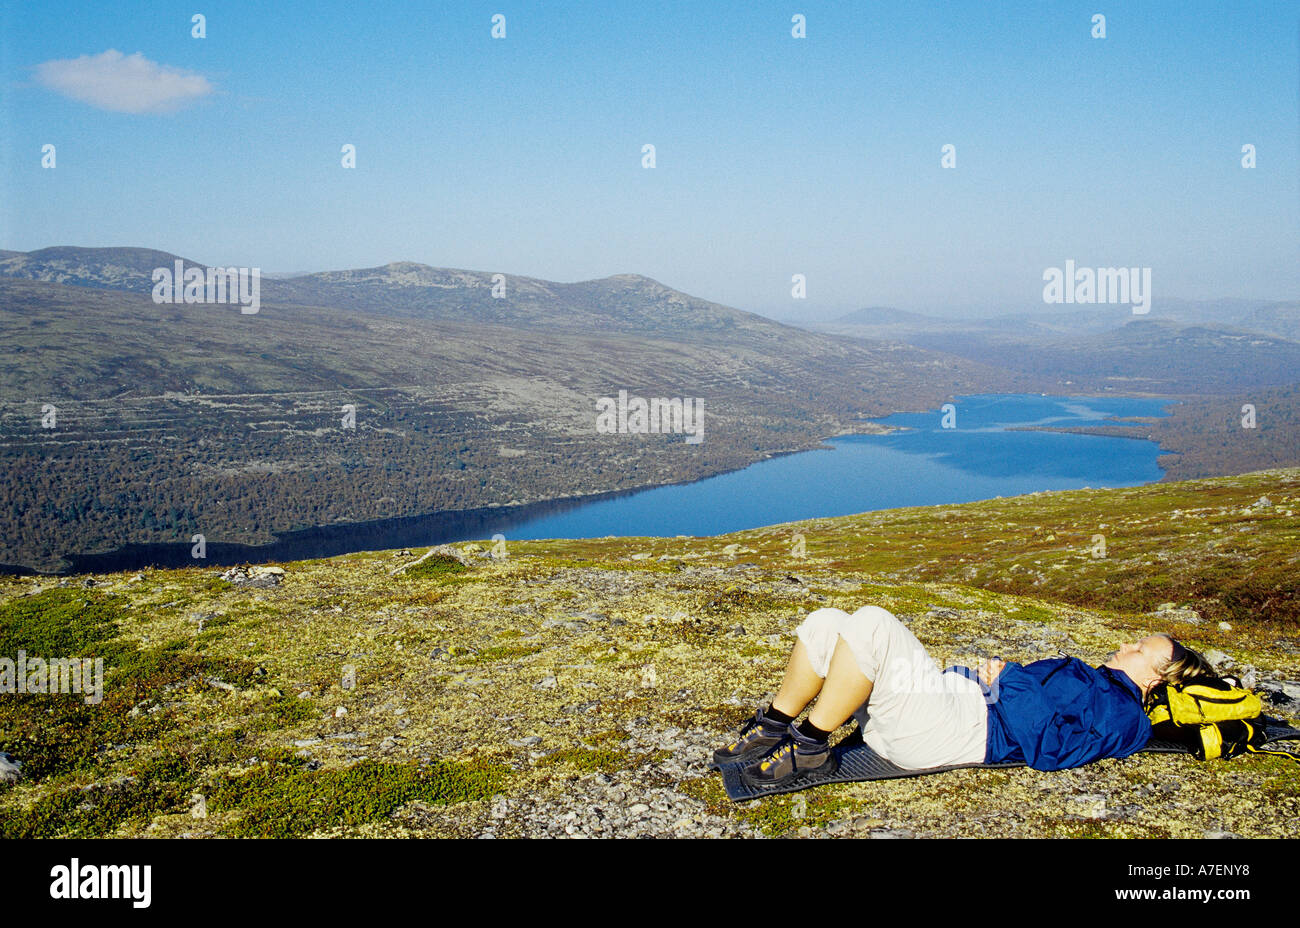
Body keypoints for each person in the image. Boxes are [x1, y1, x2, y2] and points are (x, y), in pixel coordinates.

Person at [714, 604, 1214, 787]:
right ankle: (774, 727)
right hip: (950, 705)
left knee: (873, 623)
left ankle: (809, 747)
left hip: (958, 730)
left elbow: (1054, 750)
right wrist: (978, 678)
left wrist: (1009, 678)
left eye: (1139, 649)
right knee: (827, 623)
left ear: (1157, 679)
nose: (1126, 645)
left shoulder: (1126, 717)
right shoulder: (1097, 681)